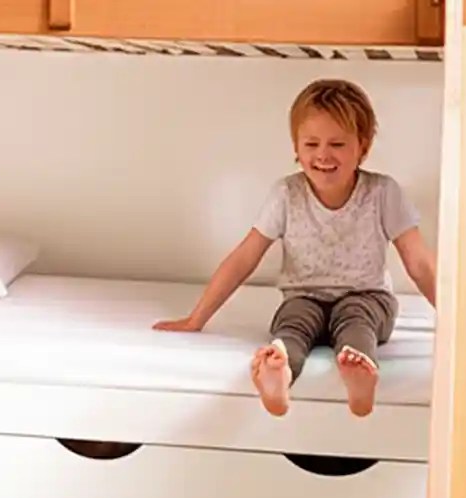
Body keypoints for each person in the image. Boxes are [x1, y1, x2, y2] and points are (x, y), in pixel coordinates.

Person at [153, 78, 436, 418]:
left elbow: (419, 263)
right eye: (311, 143)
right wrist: (195, 319)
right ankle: (280, 372)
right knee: (292, 325)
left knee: (357, 323)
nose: (323, 155)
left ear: (362, 147)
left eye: (338, 144)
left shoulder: (383, 193)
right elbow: (245, 257)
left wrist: (453, 322)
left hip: (367, 296)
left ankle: (360, 377)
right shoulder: (286, 194)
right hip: (304, 296)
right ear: (296, 148)